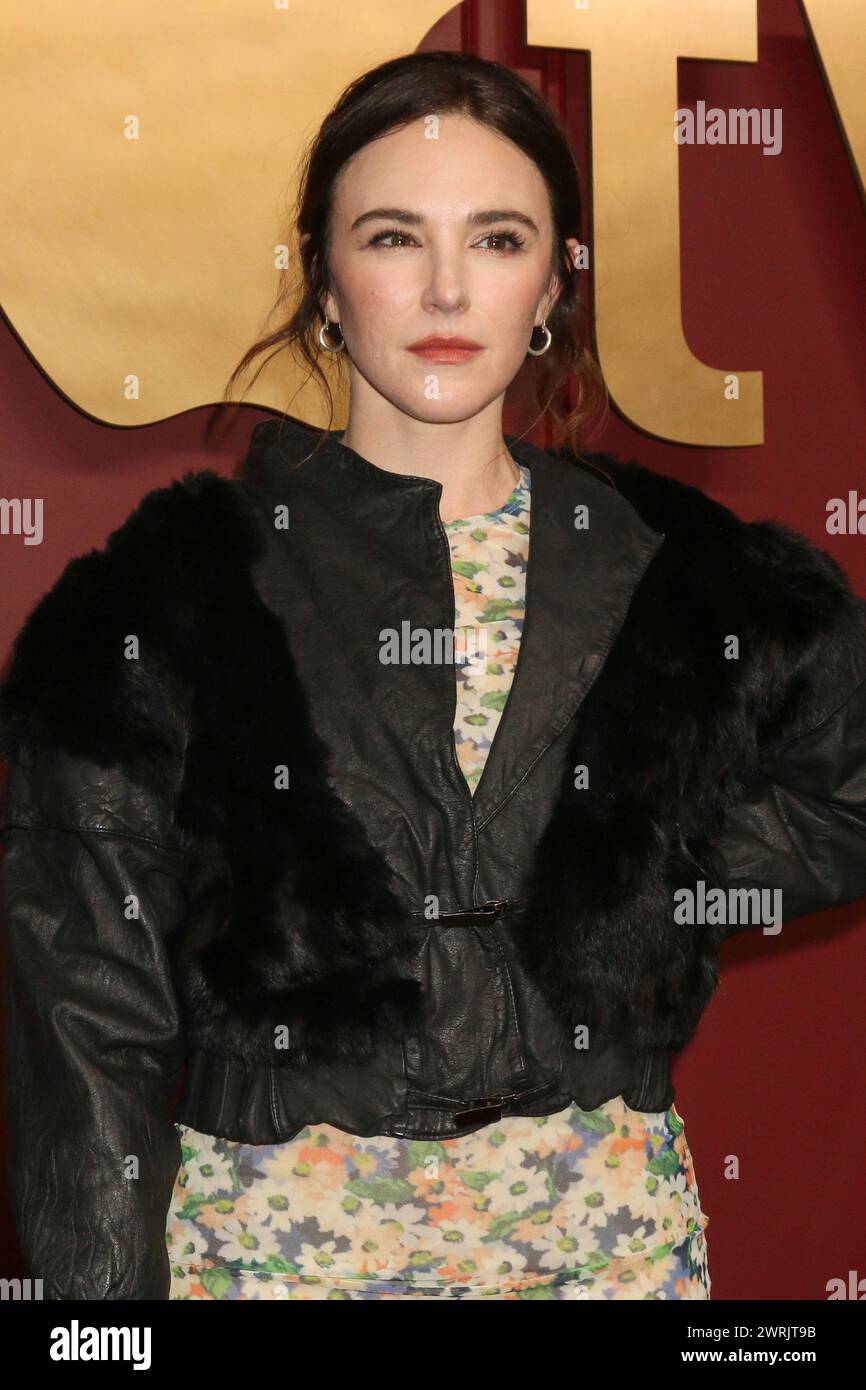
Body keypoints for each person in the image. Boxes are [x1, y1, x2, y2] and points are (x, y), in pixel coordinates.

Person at [2, 50, 866, 1302]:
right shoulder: (166, 595)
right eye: (395, 236)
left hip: (606, 1248)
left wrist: (633, 877)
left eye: (498, 239)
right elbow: (84, 1011)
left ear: (551, 284)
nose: (447, 287)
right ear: (323, 279)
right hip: (276, 1257)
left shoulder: (676, 569)